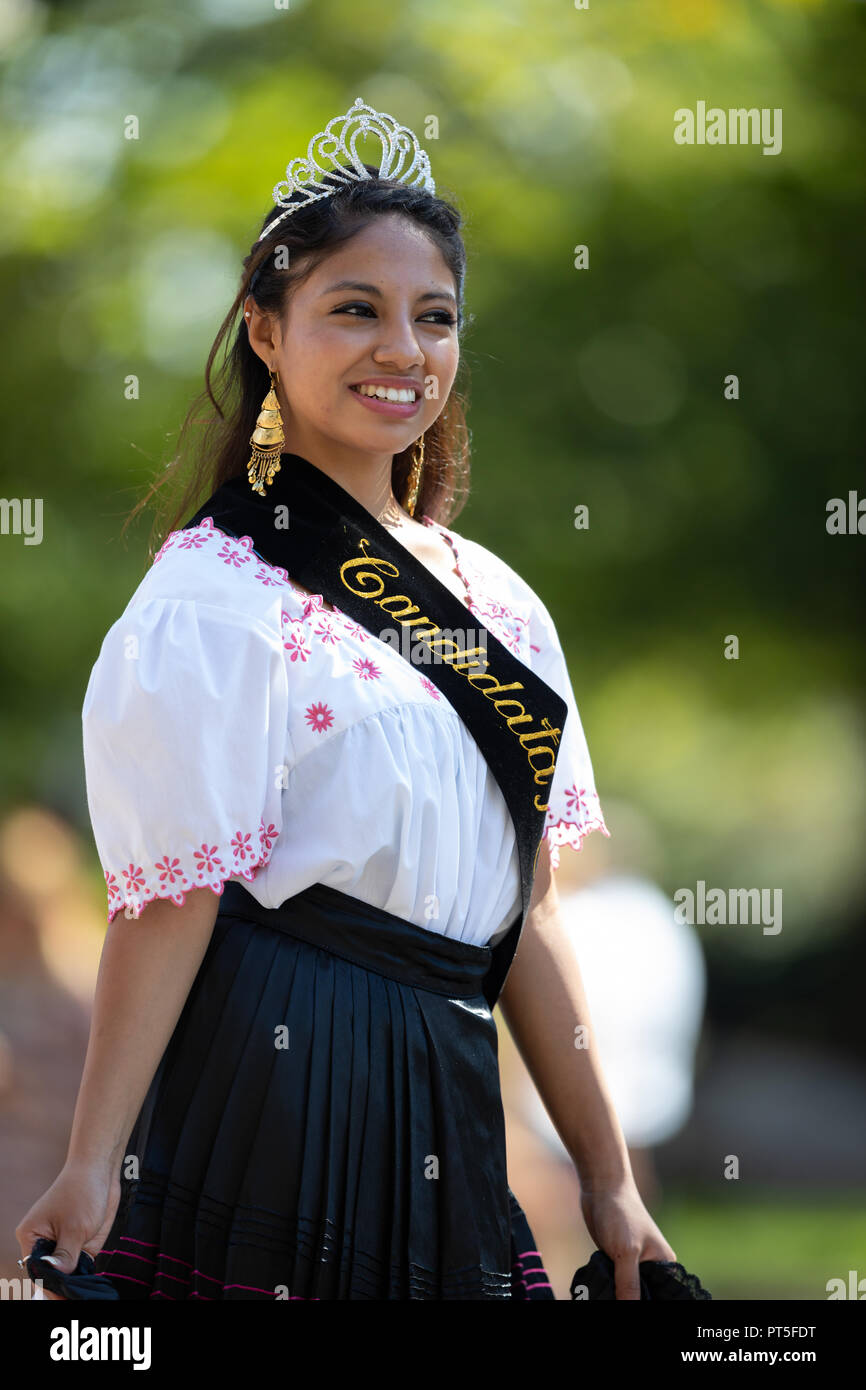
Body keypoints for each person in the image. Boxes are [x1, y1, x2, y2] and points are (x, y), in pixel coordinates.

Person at [15, 97, 676, 1300]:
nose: (402, 350)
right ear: (267, 333)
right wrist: (92, 1160)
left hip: (449, 1076)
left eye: (433, 318)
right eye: (354, 310)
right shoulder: (216, 591)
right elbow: (168, 901)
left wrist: (607, 1180)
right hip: (278, 1068)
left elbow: (526, 918)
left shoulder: (500, 605)